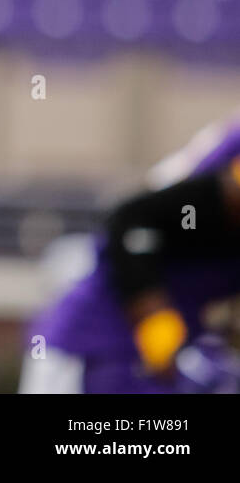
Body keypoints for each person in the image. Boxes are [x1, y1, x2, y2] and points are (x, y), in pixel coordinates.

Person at [19, 114, 240, 393]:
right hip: (92, 348)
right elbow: (132, 219)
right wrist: (154, 317)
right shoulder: (200, 199)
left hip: (169, 359)